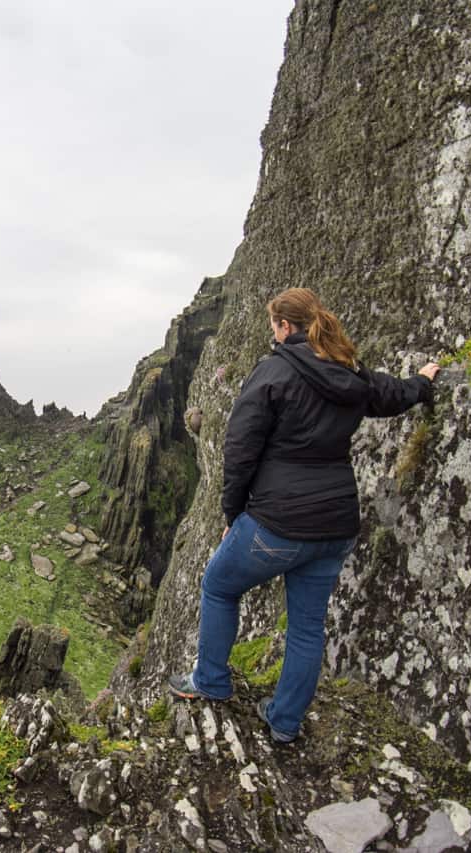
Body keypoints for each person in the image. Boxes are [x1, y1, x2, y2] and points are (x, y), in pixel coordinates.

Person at [168, 287, 440, 743]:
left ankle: (210, 682)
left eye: (273, 324)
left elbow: (239, 450)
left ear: (284, 327)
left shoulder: (273, 372)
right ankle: (285, 723)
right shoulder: (348, 371)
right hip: (335, 526)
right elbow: (391, 395)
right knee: (308, 626)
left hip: (279, 522)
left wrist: (233, 513)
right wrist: (424, 382)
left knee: (218, 584)